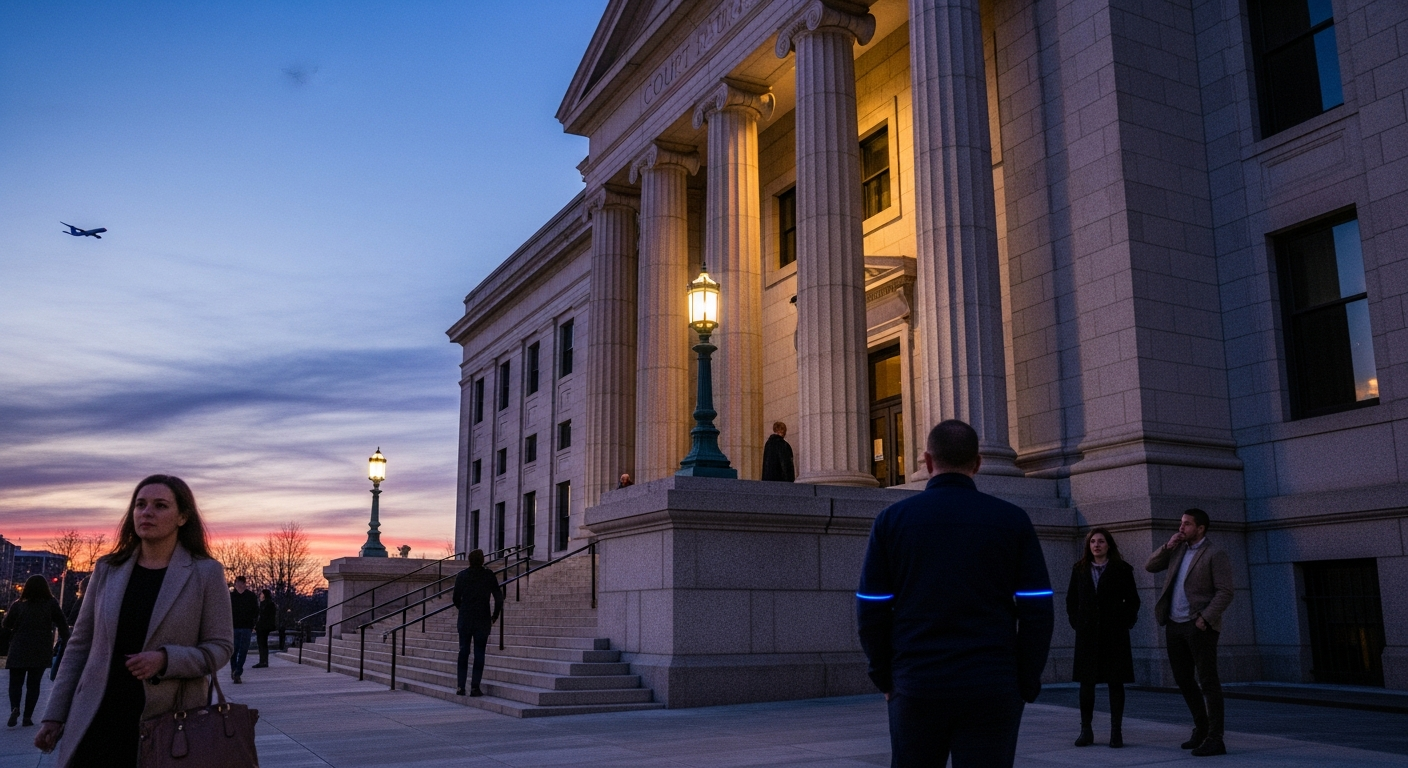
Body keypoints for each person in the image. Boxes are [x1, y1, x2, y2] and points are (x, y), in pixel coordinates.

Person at [857, 420, 1054, 768]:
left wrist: (885, 678)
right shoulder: (1013, 520)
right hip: (992, 683)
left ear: (927, 462)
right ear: (977, 463)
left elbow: (872, 609)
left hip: (917, 682)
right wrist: (1024, 681)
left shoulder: (891, 520)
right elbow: (1037, 609)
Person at [34, 474, 234, 768]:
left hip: (167, 720)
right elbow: (79, 646)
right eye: (140, 505)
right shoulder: (107, 569)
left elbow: (220, 647)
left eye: (160, 505)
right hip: (96, 716)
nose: (147, 512)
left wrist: (166, 660)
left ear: (182, 517)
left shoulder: (205, 573)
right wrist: (54, 715)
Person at [1146, 507, 1235, 757]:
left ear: (1200, 528)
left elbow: (1226, 591)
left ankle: (1216, 738)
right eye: (1181, 523)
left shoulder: (1215, 553)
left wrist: (1206, 618)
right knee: (1183, 679)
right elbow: (1150, 566)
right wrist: (1168, 545)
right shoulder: (1178, 549)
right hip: (1174, 624)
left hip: (1199, 625)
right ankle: (1202, 727)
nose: (1181, 527)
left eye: (1186, 524)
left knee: (1208, 681)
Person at [1066, 527, 1140, 748]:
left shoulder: (1122, 569)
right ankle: (1086, 730)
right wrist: (1077, 623)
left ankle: (1115, 732)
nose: (1096, 545)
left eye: (1101, 541)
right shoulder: (1079, 570)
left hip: (1114, 635)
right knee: (1086, 683)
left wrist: (1124, 622)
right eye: (1092, 542)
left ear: (1109, 545)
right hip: (1088, 635)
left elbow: (1133, 600)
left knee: (1115, 683)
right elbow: (1071, 600)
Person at [4, 575, 71, 727]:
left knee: (15, 683)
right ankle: (27, 717)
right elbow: (62, 623)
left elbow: (6, 624)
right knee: (33, 685)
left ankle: (15, 707)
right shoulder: (50, 603)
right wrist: (66, 642)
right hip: (40, 648)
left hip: (18, 648)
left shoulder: (18, 604)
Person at [452, 549, 502, 697]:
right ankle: (475, 687)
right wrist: (494, 616)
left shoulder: (462, 576)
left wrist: (464, 609)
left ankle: (461, 686)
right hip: (482, 618)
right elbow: (499, 597)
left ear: (469, 560)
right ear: (482, 560)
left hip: (466, 618)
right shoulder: (488, 575)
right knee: (479, 653)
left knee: (463, 652)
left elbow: (455, 598)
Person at [229, 575, 258, 683]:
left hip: (246, 626)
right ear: (235, 584)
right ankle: (234, 669)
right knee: (234, 650)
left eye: (241, 583)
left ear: (244, 584)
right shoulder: (230, 596)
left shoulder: (251, 596)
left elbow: (256, 610)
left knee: (243, 650)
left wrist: (253, 623)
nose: (239, 585)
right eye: (237, 583)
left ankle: (238, 671)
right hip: (234, 627)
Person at [252, 589, 276, 669]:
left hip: (263, 627)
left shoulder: (265, 604)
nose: (260, 595)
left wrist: (257, 626)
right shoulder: (270, 604)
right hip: (265, 627)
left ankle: (263, 661)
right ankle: (264, 661)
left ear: (264, 595)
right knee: (263, 644)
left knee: (262, 644)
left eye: (261, 594)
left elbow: (262, 617)